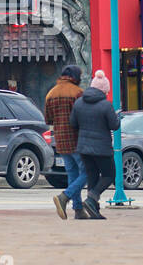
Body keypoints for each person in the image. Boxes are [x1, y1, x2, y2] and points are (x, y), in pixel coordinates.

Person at [70, 69, 120, 220]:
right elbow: (114, 125)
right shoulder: (106, 105)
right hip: (102, 148)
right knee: (109, 175)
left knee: (92, 176)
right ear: (104, 90)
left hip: (84, 147)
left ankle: (94, 210)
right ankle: (92, 199)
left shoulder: (79, 103)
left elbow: (73, 123)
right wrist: (117, 116)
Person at [43, 64, 85, 220]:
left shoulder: (50, 94)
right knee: (87, 172)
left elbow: (48, 119)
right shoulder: (77, 93)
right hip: (76, 139)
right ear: (75, 77)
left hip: (60, 140)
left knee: (72, 174)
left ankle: (78, 209)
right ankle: (64, 196)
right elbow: (82, 116)